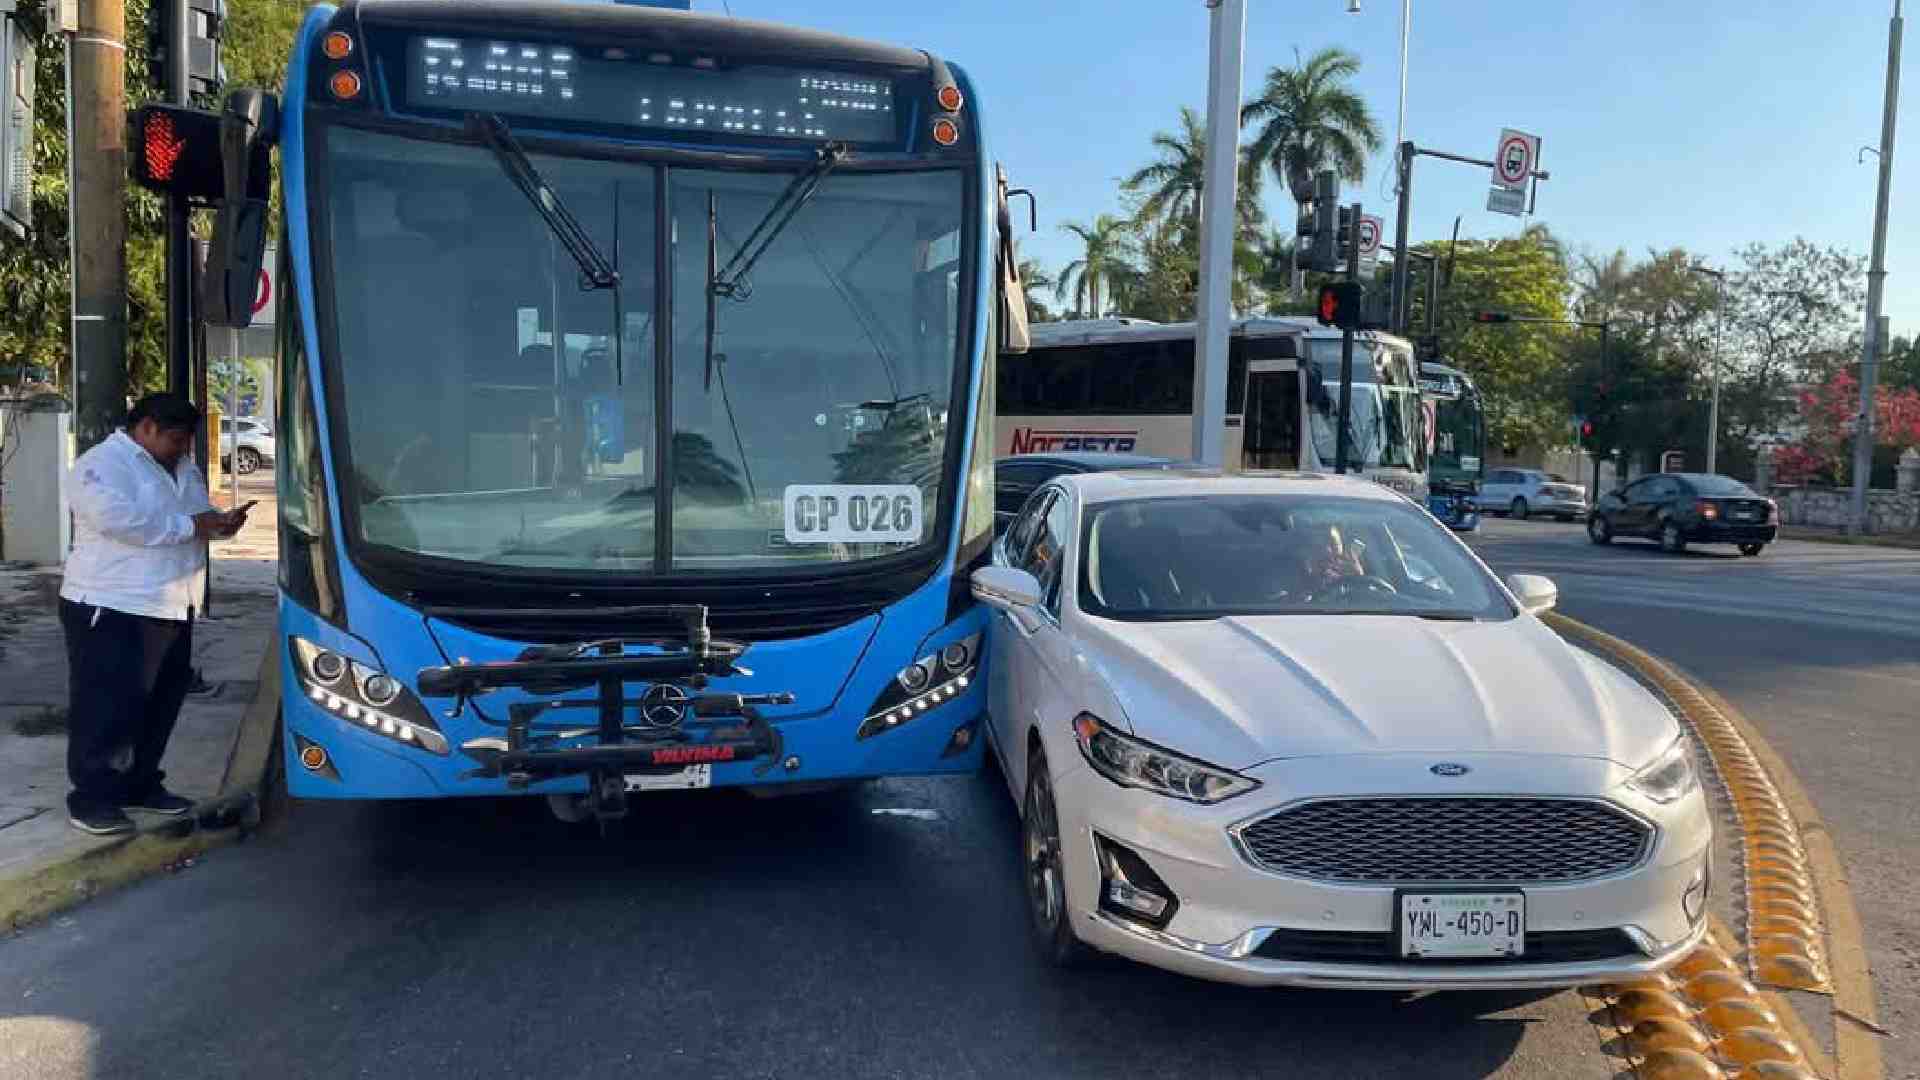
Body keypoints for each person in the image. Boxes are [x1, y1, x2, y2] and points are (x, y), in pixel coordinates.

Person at [58, 394, 250, 835]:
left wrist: (219, 524)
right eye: (175, 439)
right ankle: (92, 798)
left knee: (159, 703)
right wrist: (193, 526)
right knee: (106, 706)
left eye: (186, 440)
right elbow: (121, 522)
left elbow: (195, 516)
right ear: (145, 427)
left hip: (171, 602)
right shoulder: (100, 466)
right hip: (112, 604)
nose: (183, 448)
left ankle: (140, 784)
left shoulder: (182, 466)